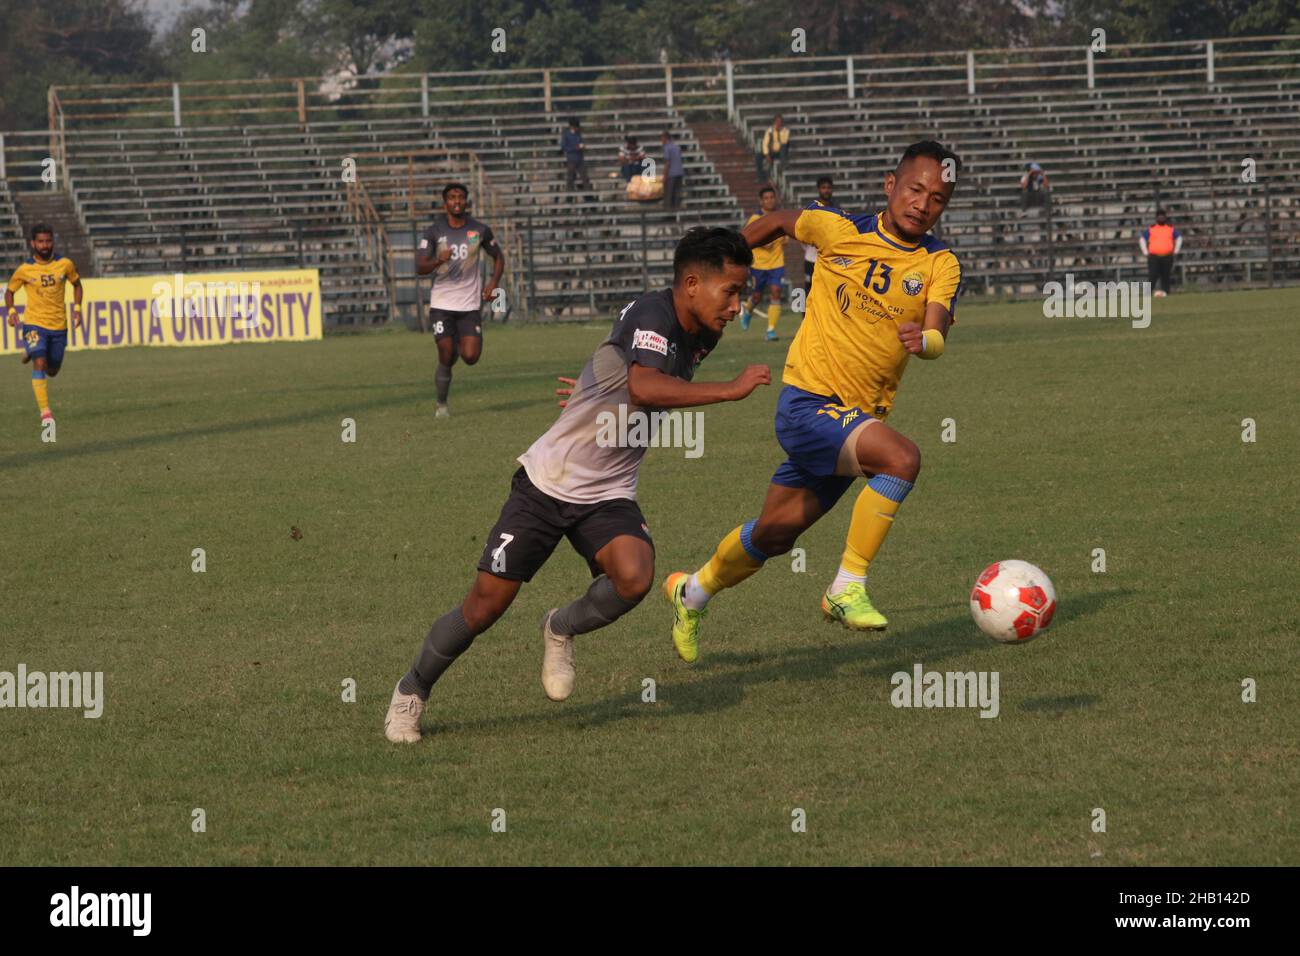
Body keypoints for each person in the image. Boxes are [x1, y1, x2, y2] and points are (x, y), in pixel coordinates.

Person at [384, 228, 770, 743]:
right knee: (484, 607)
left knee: (634, 577)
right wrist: (730, 389)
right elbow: (644, 385)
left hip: (608, 492)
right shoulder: (653, 314)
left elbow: (635, 381)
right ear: (693, 284)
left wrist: (596, 384)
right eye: (732, 292)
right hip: (548, 483)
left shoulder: (702, 329)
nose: (736, 304)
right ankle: (412, 689)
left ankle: (560, 626)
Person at [662, 141, 964, 663]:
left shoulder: (940, 262)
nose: (923, 203)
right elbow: (780, 221)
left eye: (937, 198)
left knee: (775, 535)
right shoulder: (837, 228)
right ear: (891, 185)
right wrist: (728, 263)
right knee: (903, 459)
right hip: (808, 405)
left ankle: (691, 592)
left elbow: (937, 329)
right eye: (915, 189)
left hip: (854, 422)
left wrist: (926, 342)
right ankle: (846, 586)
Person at [416, 183, 505, 418]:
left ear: (466, 201)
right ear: (445, 203)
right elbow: (420, 266)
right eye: (452, 197)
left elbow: (498, 257)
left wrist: (493, 283)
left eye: (461, 197)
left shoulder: (479, 230)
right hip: (442, 304)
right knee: (445, 353)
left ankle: (457, 341)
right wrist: (437, 260)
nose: (457, 201)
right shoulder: (434, 232)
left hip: (469, 305)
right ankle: (441, 405)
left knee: (471, 357)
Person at [5, 224, 83, 426]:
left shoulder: (65, 264)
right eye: (40, 241)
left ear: (52, 242)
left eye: (48, 241)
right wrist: (12, 312)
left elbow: (77, 285)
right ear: (33, 243)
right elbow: (9, 292)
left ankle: (31, 351)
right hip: (34, 324)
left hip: (58, 326)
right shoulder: (25, 269)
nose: (44, 245)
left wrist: (77, 309)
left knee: (53, 370)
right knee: (40, 362)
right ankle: (46, 413)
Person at [739, 186, 785, 341]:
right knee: (757, 296)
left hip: (777, 263)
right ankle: (747, 310)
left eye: (772, 197)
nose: (769, 200)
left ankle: (770, 330)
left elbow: (785, 238)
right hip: (759, 265)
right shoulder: (755, 219)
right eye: (766, 198)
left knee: (776, 291)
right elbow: (748, 239)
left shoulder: (781, 216)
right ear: (761, 201)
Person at [803, 176, 836, 295]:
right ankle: (805, 314)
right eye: (823, 188)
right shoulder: (811, 209)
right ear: (818, 189)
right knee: (809, 291)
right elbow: (803, 232)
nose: (826, 190)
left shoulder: (837, 210)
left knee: (829, 292)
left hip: (829, 259)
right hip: (811, 259)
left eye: (828, 188)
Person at [1140, 209, 1182, 297]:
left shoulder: (1170, 229)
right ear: (1156, 218)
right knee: (1153, 275)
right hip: (1154, 256)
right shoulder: (1152, 229)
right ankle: (1147, 293)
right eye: (1159, 216)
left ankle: (1166, 292)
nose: (1161, 218)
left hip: (1167, 256)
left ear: (1165, 218)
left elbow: (1179, 238)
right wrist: (1145, 252)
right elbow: (1142, 239)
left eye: (1163, 216)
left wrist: (1176, 250)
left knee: (1166, 275)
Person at [560, 117, 591, 191]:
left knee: (585, 177)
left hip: (580, 158)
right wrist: (575, 148)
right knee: (570, 178)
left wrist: (582, 147)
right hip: (571, 159)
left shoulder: (578, 134)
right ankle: (569, 195)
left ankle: (588, 194)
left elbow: (580, 143)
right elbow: (564, 147)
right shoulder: (566, 135)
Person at [756, 114, 789, 180]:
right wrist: (767, 154)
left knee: (783, 146)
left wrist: (779, 132)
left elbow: (784, 141)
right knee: (758, 156)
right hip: (772, 151)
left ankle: (782, 165)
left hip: (780, 151)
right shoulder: (769, 130)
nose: (778, 123)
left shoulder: (785, 131)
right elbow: (765, 143)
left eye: (780, 121)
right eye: (777, 121)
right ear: (774, 122)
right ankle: (761, 176)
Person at [662, 130, 685, 211]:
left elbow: (668, 163)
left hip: (672, 173)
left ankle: (669, 213)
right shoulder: (676, 146)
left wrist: (665, 176)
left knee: (669, 194)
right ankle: (677, 211)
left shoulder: (667, 147)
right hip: (679, 172)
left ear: (665, 138)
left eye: (662, 139)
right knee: (677, 194)